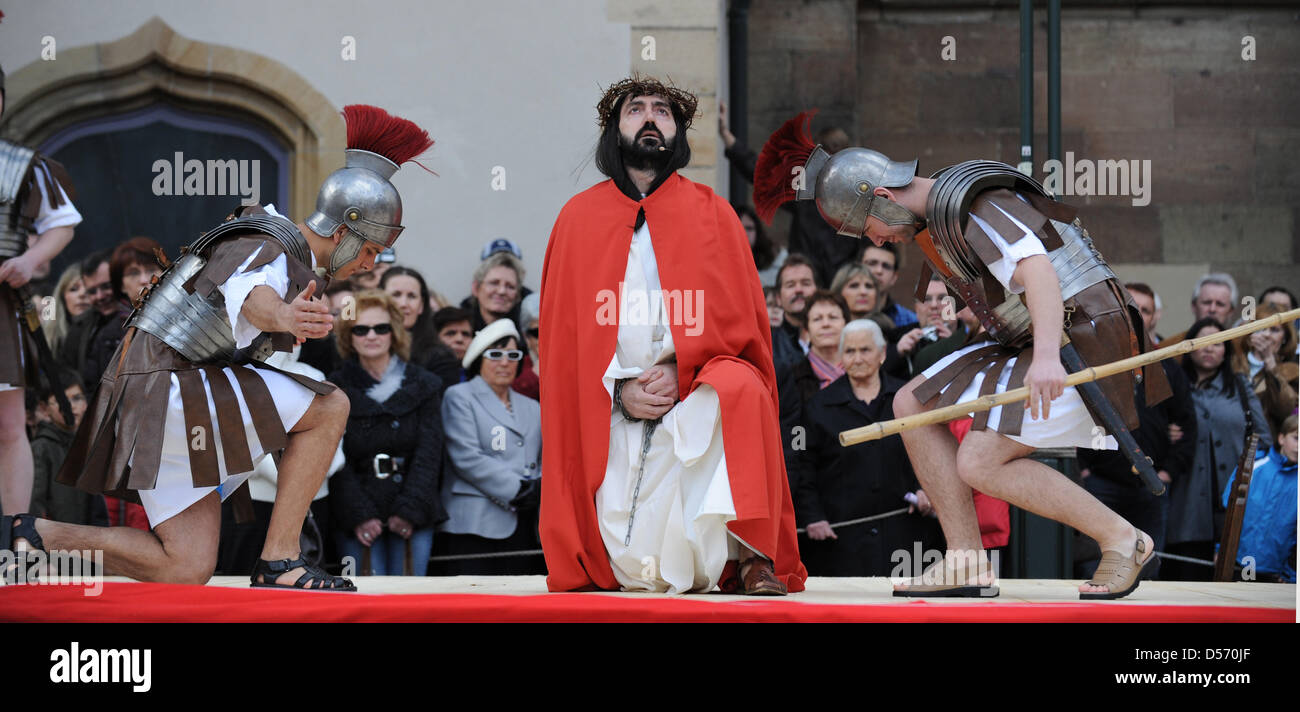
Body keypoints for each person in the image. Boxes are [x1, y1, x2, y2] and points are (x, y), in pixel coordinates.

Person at [4, 104, 434, 592]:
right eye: (371, 250)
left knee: (185, 567)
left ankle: (31, 536)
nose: (370, 265)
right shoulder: (270, 242)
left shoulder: (273, 246)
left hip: (154, 404)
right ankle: (281, 562)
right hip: (167, 389)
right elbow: (250, 297)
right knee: (331, 404)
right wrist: (286, 317)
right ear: (343, 230)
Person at [756, 112, 1171, 598]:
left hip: (1078, 337)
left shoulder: (969, 205)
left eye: (867, 228)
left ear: (884, 198)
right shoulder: (943, 214)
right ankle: (966, 561)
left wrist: (1044, 359)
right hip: (1035, 336)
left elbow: (1038, 272)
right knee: (911, 403)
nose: (875, 240)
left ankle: (1123, 538)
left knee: (978, 462)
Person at [539, 75, 806, 595]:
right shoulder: (577, 219)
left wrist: (683, 370)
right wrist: (621, 389)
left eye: (663, 111)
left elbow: (741, 332)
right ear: (614, 130)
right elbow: (563, 344)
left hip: (693, 397)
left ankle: (752, 556)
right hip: (610, 406)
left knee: (742, 387)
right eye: (635, 109)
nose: (649, 118)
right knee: (631, 564)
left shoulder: (714, 213)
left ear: (677, 132)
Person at [0, 67, 82, 553]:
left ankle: (15, 538)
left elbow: (62, 223)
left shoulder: (21, 164)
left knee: (9, 426)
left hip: (0, 303)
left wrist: (30, 259)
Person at [1075, 288, 1198, 582]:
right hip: (1101, 484)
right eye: (1129, 307)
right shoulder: (1094, 362)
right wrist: (1086, 470)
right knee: (1093, 567)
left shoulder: (1167, 366)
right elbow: (1076, 415)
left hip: (1151, 486)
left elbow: (1188, 425)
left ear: (1154, 317)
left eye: (1144, 309)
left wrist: (1167, 473)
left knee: (1148, 569)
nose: (1136, 314)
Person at [788, 319, 926, 576]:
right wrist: (812, 516)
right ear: (841, 356)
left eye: (865, 350)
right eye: (850, 351)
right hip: (840, 538)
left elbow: (931, 454)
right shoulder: (818, 407)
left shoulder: (906, 399)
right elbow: (803, 466)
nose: (857, 358)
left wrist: (926, 490)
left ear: (883, 353)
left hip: (904, 534)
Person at [329, 290, 445, 576]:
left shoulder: (425, 384)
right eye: (361, 329)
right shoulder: (334, 388)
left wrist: (409, 509)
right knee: (362, 602)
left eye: (381, 328)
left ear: (393, 332)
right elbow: (332, 456)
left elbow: (430, 453)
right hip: (356, 513)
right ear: (348, 336)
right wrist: (359, 514)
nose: (372, 336)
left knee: (410, 604)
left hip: (413, 510)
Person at [1166, 317, 1272, 581]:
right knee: (1187, 579)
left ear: (1226, 350)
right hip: (1185, 501)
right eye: (1202, 342)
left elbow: (1263, 439)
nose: (1209, 348)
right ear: (1189, 347)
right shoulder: (1173, 388)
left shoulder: (1239, 386)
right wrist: (1166, 433)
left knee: (1233, 581)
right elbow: (1153, 432)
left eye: (1217, 343)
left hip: (1233, 499)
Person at [436, 319, 543, 575]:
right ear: (477, 360)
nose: (504, 362)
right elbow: (466, 457)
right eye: (495, 355)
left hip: (525, 524)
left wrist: (540, 486)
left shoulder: (532, 406)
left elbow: (542, 457)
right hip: (475, 523)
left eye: (512, 355)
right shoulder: (459, 396)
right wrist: (518, 488)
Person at [80, 237, 164, 395]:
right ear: (121, 285)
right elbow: (98, 392)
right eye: (133, 273)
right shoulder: (108, 336)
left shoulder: (189, 315)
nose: (144, 280)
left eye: (151, 269)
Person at [1220, 413, 1296, 583]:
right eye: (1296, 438)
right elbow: (1228, 509)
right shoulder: (1255, 466)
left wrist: (1292, 577)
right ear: (1282, 438)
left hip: (1279, 573)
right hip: (1242, 561)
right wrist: (1220, 549)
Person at [28, 369, 106, 526]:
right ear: (44, 408)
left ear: (86, 403)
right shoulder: (41, 448)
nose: (71, 406)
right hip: (54, 541)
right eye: (61, 400)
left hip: (90, 540)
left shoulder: (90, 445)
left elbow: (99, 505)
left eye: (77, 398)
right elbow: (34, 503)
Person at [381, 265, 461, 386]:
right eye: (396, 295)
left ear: (421, 306)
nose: (403, 304)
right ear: (379, 300)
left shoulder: (441, 358)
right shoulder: (360, 348)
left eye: (412, 296)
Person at [1232, 302, 1298, 442]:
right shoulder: (1232, 364)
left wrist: (1270, 363)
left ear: (1284, 337)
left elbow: (1286, 411)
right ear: (1250, 333)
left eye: (1274, 330)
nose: (1266, 335)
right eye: (1260, 328)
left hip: (1265, 449)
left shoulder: (1293, 371)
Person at [1158, 273, 1240, 348]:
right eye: (1207, 302)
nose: (1212, 309)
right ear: (1194, 306)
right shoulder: (1168, 347)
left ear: (1231, 311)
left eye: (1220, 304)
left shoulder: (1240, 351)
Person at [771, 253, 819, 380]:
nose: (799, 290)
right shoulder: (768, 344)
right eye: (790, 285)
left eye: (806, 283)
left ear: (817, 291)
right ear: (778, 298)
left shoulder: (836, 337)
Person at [858, 242, 918, 328]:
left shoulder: (910, 321)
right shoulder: (838, 314)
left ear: (894, 277)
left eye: (886, 266)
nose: (879, 271)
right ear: (857, 268)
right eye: (872, 263)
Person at [43, 263, 90, 361]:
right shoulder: (50, 340)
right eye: (74, 289)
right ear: (62, 298)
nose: (82, 294)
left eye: (89, 289)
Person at [733, 203, 784, 287]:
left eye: (749, 228)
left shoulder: (777, 259)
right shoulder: (716, 260)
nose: (744, 233)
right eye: (739, 228)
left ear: (758, 231)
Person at [432, 306, 473, 383]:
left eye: (466, 334)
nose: (459, 339)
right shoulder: (424, 378)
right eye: (451, 333)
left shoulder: (482, 376)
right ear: (435, 337)